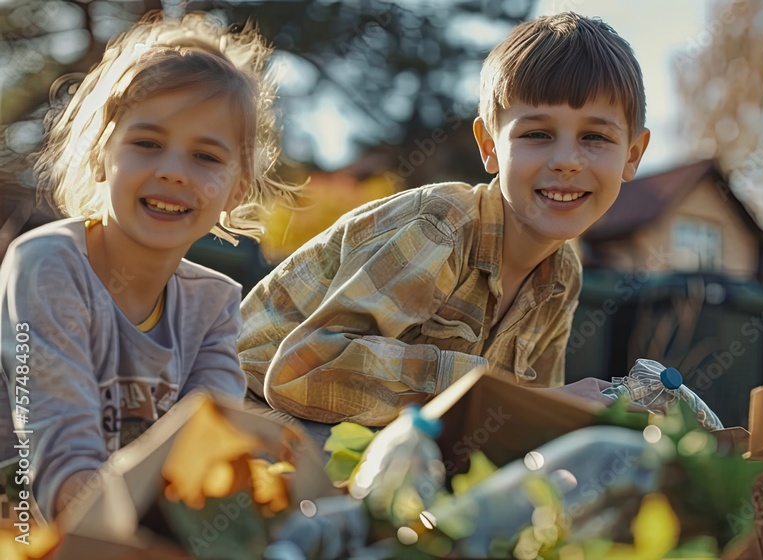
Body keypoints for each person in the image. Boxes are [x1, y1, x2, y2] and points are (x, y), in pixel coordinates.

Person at [239, 12, 650, 427]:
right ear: (489, 147)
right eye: (536, 134)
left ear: (632, 154)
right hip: (244, 407)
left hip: (366, 439)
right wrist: (514, 396)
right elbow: (298, 374)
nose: (565, 162)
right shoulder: (441, 227)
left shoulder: (562, 278)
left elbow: (520, 422)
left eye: (594, 137)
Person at [0, 12, 297, 520]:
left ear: (237, 187)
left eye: (206, 157)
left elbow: (213, 449)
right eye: (147, 144)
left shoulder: (214, 302)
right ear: (100, 154)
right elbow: (59, 477)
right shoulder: (47, 264)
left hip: (135, 527)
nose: (173, 172)